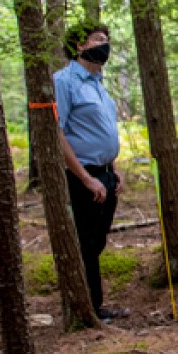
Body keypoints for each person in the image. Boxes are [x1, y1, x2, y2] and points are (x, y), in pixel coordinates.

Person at [54, 23, 128, 322]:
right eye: (98, 39)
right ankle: (90, 309)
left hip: (106, 174)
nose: (105, 44)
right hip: (83, 176)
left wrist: (114, 169)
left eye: (107, 39)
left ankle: (93, 303)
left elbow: (102, 129)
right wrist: (85, 177)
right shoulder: (64, 81)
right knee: (85, 242)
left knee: (97, 242)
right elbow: (57, 134)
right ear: (79, 46)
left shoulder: (98, 83)